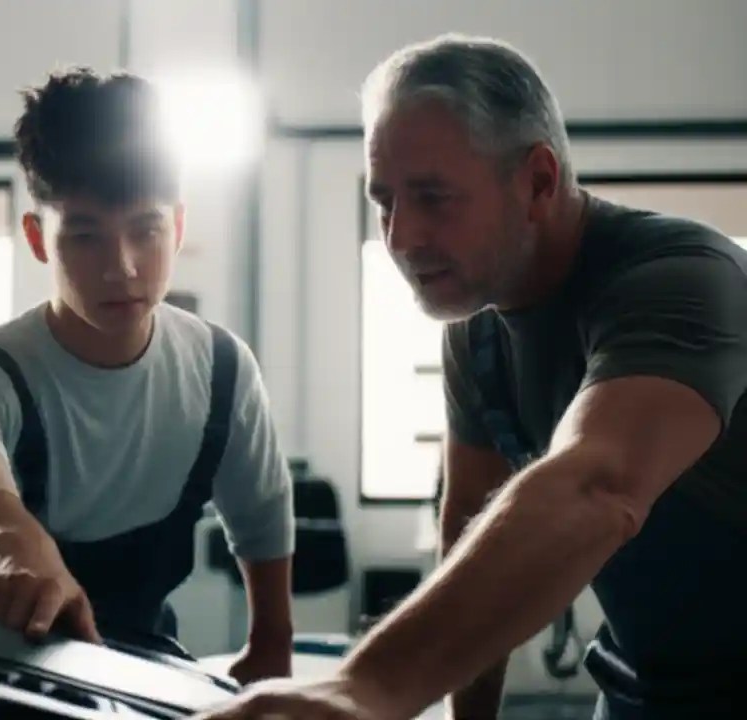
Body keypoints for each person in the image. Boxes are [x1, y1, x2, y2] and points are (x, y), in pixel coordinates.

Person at [193, 33, 747, 720]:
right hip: (646, 686)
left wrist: (364, 687)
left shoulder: (684, 279)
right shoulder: (477, 330)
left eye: (433, 197)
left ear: (538, 181)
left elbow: (598, 486)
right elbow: (468, 529)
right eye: (385, 201)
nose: (400, 237)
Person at [0, 67, 296, 684]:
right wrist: (15, 545)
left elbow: (262, 514)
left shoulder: (222, 369)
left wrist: (272, 645)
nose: (122, 267)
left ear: (178, 227)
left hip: (142, 668)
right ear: (38, 237)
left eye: (146, 230)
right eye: (85, 237)